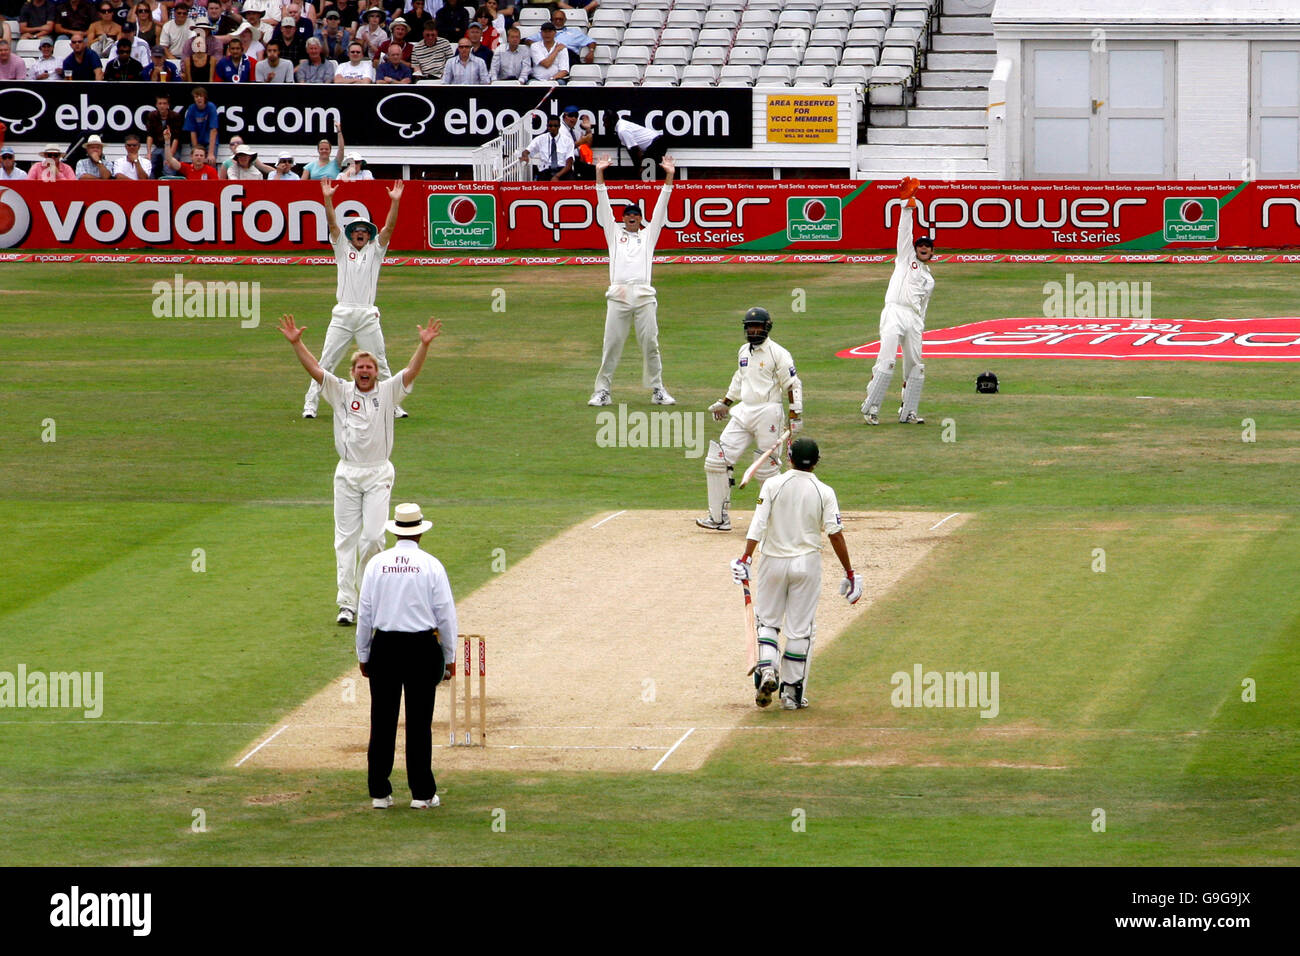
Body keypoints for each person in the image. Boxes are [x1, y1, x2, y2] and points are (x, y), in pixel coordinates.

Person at [278, 302, 437, 626]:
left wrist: (423, 345)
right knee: (345, 540)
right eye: (360, 368)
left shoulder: (389, 392)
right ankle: (346, 604)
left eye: (370, 367)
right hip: (347, 474)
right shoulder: (340, 391)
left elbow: (411, 372)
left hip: (378, 472)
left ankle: (370, 597)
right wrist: (297, 344)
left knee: (374, 538)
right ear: (352, 372)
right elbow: (316, 370)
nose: (365, 372)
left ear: (376, 371)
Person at [730, 437, 862, 711]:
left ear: (789, 458)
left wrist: (746, 557)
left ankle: (768, 669)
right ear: (816, 462)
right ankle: (790, 695)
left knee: (767, 622)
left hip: (772, 563)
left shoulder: (772, 484)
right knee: (801, 630)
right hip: (807, 564)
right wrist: (849, 571)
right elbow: (835, 534)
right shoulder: (825, 490)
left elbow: (758, 524)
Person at [353, 501, 457, 811]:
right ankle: (422, 793)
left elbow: (366, 614)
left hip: (384, 646)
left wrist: (363, 653)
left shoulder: (377, 564)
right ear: (420, 534)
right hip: (421, 649)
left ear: (396, 531)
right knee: (419, 722)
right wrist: (449, 655)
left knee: (382, 721)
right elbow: (446, 616)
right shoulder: (431, 565)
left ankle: (380, 793)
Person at [301, 179, 406, 424]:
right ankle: (310, 403)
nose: (360, 233)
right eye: (356, 230)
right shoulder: (341, 247)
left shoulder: (375, 249)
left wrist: (395, 202)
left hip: (368, 315)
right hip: (342, 315)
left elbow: (389, 229)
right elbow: (332, 222)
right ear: (352, 234)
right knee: (326, 362)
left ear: (368, 235)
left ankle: (392, 406)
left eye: (364, 231)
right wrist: (328, 198)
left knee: (380, 362)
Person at [695, 307, 802, 531]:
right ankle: (718, 518)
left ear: (767, 328)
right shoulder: (743, 351)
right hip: (744, 411)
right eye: (750, 327)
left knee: (767, 469)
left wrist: (795, 415)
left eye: (758, 327)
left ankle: (777, 521)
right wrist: (726, 402)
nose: (753, 331)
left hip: (769, 413)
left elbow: (792, 384)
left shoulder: (778, 353)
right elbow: (739, 378)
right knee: (717, 459)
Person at [587, 153, 676, 408]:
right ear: (623, 218)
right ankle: (602, 391)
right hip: (618, 296)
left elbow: (661, 207)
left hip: (645, 296)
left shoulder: (649, 236)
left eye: (635, 215)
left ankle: (658, 389)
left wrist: (669, 175)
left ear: (640, 218)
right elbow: (602, 202)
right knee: (611, 345)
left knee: (650, 344)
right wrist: (599, 172)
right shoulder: (613, 233)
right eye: (627, 215)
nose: (631, 218)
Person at [862, 176, 934, 426]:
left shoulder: (929, 279)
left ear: (932, 252)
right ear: (915, 249)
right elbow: (905, 232)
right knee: (888, 360)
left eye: (928, 247)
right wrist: (907, 205)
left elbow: (923, 307)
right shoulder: (905, 259)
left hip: (914, 319)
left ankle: (909, 411)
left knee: (916, 365)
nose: (923, 248)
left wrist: (920, 325)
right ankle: (871, 408)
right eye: (920, 245)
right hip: (894, 312)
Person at [606, 110, 668, 181]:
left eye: (605, 122)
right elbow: (631, 150)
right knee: (647, 172)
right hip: (653, 145)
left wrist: (640, 167)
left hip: (656, 144)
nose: (604, 125)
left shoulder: (622, 130)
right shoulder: (621, 126)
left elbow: (635, 150)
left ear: (612, 121)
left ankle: (656, 188)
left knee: (647, 172)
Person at [526, 6, 592, 64]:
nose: (558, 21)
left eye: (560, 19)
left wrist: (591, 51)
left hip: (569, 58)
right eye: (556, 19)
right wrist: (539, 48)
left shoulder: (574, 32)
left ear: (565, 20)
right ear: (551, 20)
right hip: (549, 57)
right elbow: (528, 40)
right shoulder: (545, 32)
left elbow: (591, 42)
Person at [520, 113, 573, 180]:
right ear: (547, 126)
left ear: (559, 126)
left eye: (555, 126)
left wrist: (557, 176)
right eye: (550, 126)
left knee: (571, 181)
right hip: (546, 170)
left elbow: (569, 164)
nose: (553, 128)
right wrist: (525, 156)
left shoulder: (567, 141)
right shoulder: (540, 139)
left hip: (563, 171)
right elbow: (526, 151)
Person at [144, 93, 184, 176]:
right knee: (149, 166)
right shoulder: (152, 115)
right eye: (160, 103)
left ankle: (169, 187)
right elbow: (150, 135)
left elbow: (176, 138)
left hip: (172, 147)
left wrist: (170, 156)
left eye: (164, 103)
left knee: (168, 169)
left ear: (168, 105)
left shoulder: (175, 116)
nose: (162, 106)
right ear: (156, 105)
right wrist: (148, 153)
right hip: (159, 146)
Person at [183, 86, 220, 158]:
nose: (199, 98)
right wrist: (196, 150)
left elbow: (214, 130)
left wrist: (211, 153)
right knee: (197, 159)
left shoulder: (211, 107)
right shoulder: (191, 108)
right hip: (198, 142)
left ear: (205, 97)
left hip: (210, 141)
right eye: (196, 97)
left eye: (201, 96)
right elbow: (192, 131)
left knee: (211, 160)